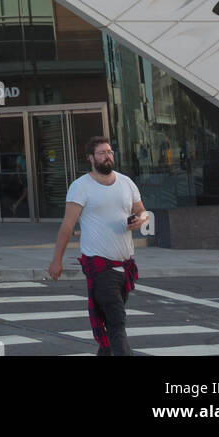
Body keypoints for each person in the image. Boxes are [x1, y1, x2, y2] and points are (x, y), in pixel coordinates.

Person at [47, 135, 149, 357]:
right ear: (91, 158)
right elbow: (67, 226)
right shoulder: (81, 187)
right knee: (117, 321)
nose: (107, 156)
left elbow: (142, 211)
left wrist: (140, 220)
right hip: (99, 265)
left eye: (110, 152)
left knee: (111, 325)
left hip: (125, 265)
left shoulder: (126, 182)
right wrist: (57, 260)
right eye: (102, 153)